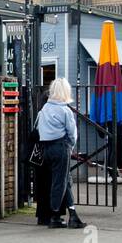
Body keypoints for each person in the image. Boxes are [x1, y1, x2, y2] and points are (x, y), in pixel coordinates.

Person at [35, 77, 84, 229]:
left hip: (47, 148)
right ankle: (55, 215)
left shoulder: (44, 109)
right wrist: (70, 146)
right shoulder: (65, 110)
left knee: (65, 180)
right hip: (61, 147)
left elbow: (37, 128)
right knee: (60, 182)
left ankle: (73, 213)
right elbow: (72, 133)